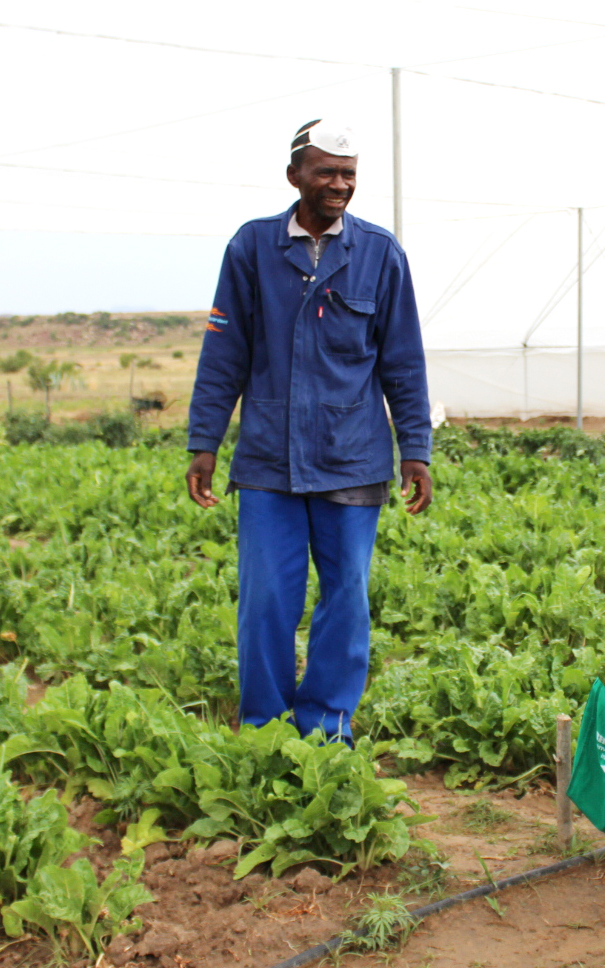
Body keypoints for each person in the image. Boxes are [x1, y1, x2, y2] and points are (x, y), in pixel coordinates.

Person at [185, 119, 433, 742]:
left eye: (349, 174)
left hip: (353, 457)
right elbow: (223, 355)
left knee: (345, 598)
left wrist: (416, 449)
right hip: (268, 459)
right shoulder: (252, 247)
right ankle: (265, 727)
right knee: (267, 597)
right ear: (295, 174)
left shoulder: (380, 253)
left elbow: (403, 360)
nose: (339, 184)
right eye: (326, 172)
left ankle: (325, 727)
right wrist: (204, 442)